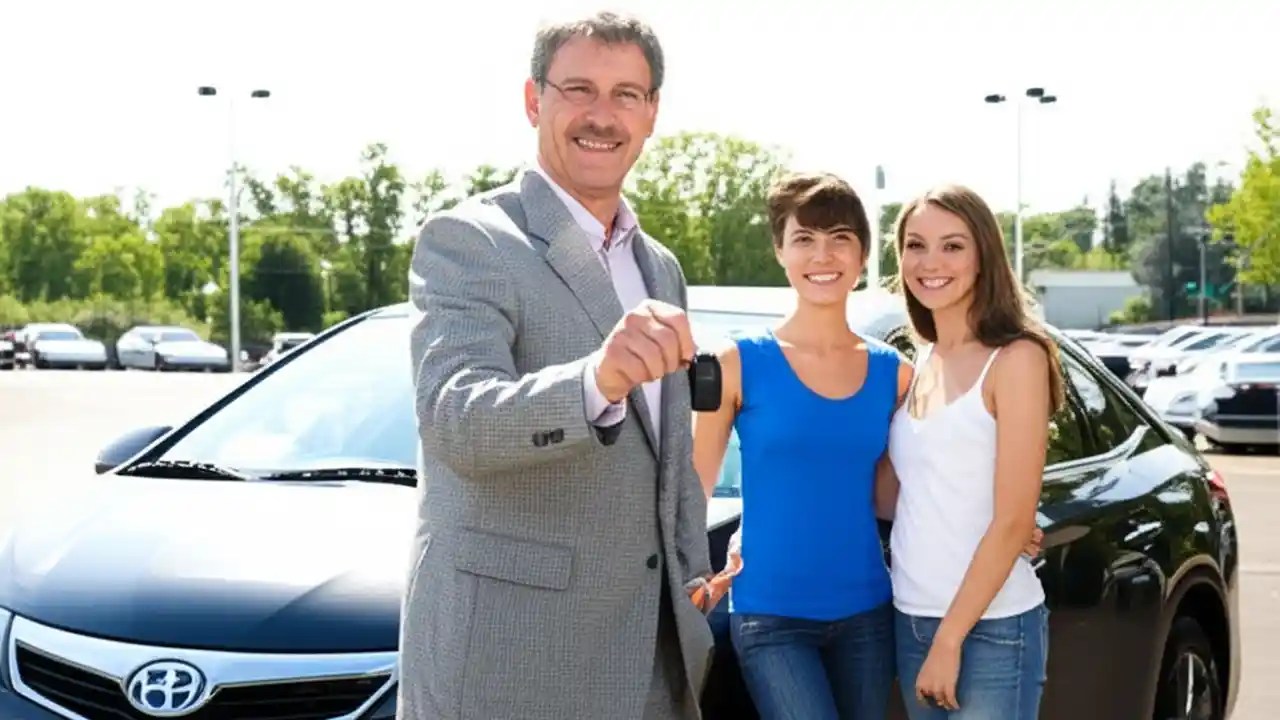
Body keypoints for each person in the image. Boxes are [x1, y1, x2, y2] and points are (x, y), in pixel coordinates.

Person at [400, 11, 715, 720]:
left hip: (653, 662)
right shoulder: (469, 240)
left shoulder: (659, 267)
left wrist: (693, 570)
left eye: (626, 94)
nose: (602, 115)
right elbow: (455, 420)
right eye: (579, 89)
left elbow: (667, 449)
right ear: (533, 99)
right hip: (512, 664)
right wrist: (594, 381)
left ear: (652, 112)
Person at [690, 172, 912, 720]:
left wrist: (998, 516)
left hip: (868, 612)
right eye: (804, 238)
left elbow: (907, 493)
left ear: (862, 255)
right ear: (780, 251)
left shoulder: (895, 374)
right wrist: (690, 576)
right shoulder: (736, 363)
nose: (823, 255)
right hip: (769, 616)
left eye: (840, 238)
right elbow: (692, 490)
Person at [884, 183, 1063, 719]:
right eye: (916, 245)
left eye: (952, 246)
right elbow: (905, 497)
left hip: (991, 629)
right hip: (911, 616)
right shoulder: (919, 363)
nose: (930, 262)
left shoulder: (1016, 359)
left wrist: (949, 640)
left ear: (983, 255)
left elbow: (1012, 521)